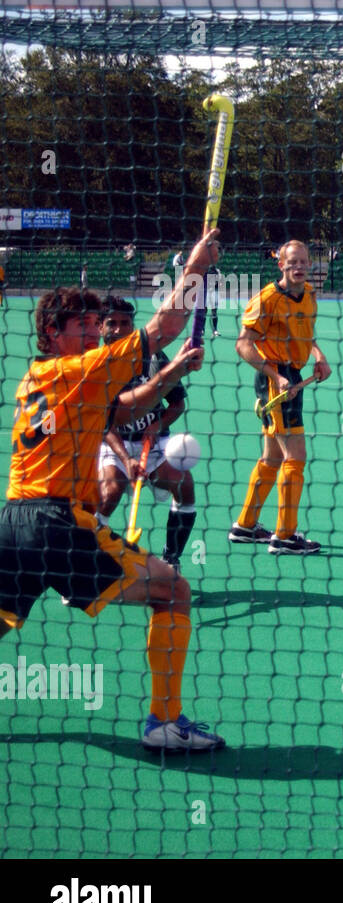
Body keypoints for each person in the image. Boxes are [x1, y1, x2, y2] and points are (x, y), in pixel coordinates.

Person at [0, 230, 224, 751]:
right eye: (84, 326)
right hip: (58, 525)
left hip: (12, 523)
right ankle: (164, 724)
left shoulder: (39, 377)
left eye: (97, 326)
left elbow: (122, 410)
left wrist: (168, 374)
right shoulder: (86, 367)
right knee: (174, 591)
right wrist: (195, 264)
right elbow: (165, 324)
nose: (95, 334)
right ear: (53, 332)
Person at [229, 240, 333, 554]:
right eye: (292, 263)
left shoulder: (310, 295)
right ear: (281, 265)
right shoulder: (268, 299)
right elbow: (243, 344)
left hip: (294, 376)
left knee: (272, 458)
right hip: (275, 381)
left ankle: (245, 526)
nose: (298, 267)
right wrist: (276, 377)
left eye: (303, 262)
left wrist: (319, 356)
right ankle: (285, 536)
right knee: (295, 458)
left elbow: (306, 334)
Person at [95, 297, 198, 571]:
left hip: (153, 443)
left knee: (184, 486)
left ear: (133, 326)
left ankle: (170, 558)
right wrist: (126, 459)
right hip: (111, 442)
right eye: (111, 324)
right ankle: (83, 566)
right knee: (110, 492)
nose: (118, 330)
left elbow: (177, 404)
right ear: (100, 328)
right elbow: (103, 424)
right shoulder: (96, 364)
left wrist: (157, 425)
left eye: (124, 324)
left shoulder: (152, 357)